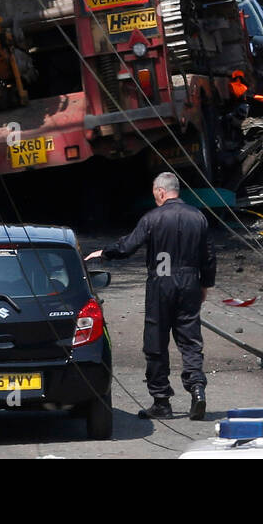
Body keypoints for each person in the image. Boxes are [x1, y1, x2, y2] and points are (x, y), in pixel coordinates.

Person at [85, 172, 216, 420]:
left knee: (155, 343)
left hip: (161, 283)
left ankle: (161, 401)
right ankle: (197, 390)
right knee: (190, 340)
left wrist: (105, 252)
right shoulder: (198, 217)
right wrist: (204, 285)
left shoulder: (152, 218)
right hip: (189, 282)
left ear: (160, 192)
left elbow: (128, 246)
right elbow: (208, 257)